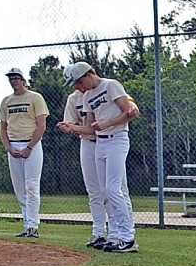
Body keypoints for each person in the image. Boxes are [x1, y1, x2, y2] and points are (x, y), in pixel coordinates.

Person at [57, 61, 140, 252]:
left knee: (113, 189)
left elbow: (131, 112)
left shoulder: (110, 85)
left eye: (79, 83)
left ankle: (128, 237)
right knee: (104, 191)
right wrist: (72, 128)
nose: (79, 88)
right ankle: (116, 236)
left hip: (117, 138)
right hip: (100, 142)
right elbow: (91, 127)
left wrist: (108, 123)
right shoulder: (88, 96)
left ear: (87, 75)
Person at [0, 67, 48, 238]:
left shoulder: (35, 97)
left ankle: (33, 225)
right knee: (19, 188)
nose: (14, 81)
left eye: (16, 78)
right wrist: (9, 147)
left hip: (31, 145)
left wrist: (30, 147)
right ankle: (26, 224)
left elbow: (41, 125)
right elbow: (3, 128)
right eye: (11, 78)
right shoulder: (7, 101)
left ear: (22, 79)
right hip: (14, 146)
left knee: (32, 186)